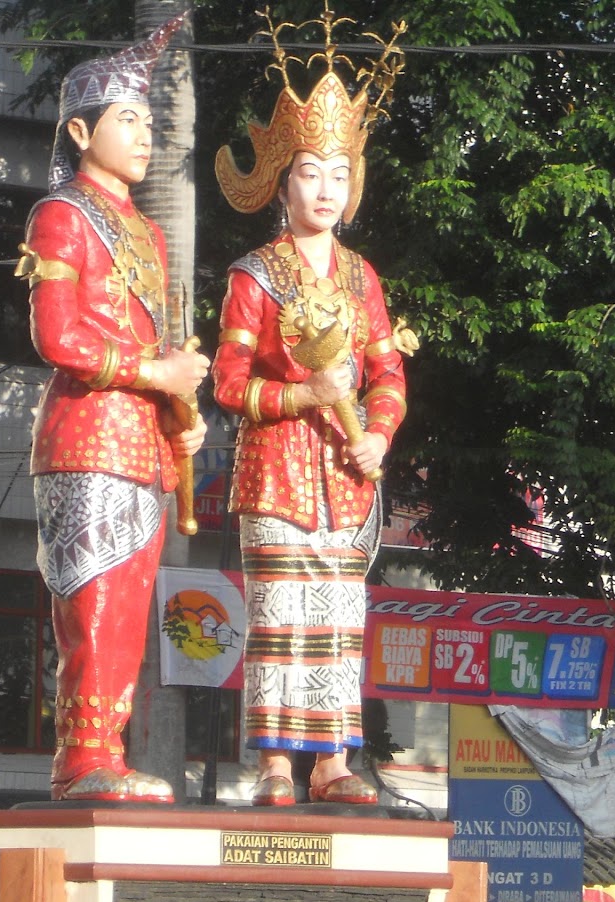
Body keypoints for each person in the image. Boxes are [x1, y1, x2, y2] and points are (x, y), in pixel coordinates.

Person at [212, 7, 411, 806]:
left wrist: (382, 436)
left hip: (347, 479)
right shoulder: (254, 274)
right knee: (281, 619)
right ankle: (273, 764)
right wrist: (305, 393)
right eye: (309, 171)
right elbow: (229, 383)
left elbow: (388, 371)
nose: (324, 188)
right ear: (281, 181)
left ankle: (333, 760)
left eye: (338, 172)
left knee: (338, 624)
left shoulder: (364, 278)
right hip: (276, 478)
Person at [16, 15, 209, 802]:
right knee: (93, 601)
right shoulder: (60, 213)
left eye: (150, 121)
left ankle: (110, 753)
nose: (144, 134)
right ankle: (82, 758)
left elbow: (159, 348)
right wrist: (152, 371)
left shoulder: (149, 234)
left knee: (129, 611)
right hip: (85, 437)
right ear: (79, 129)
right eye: (127, 119)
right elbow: (56, 334)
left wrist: (178, 411)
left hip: (142, 446)